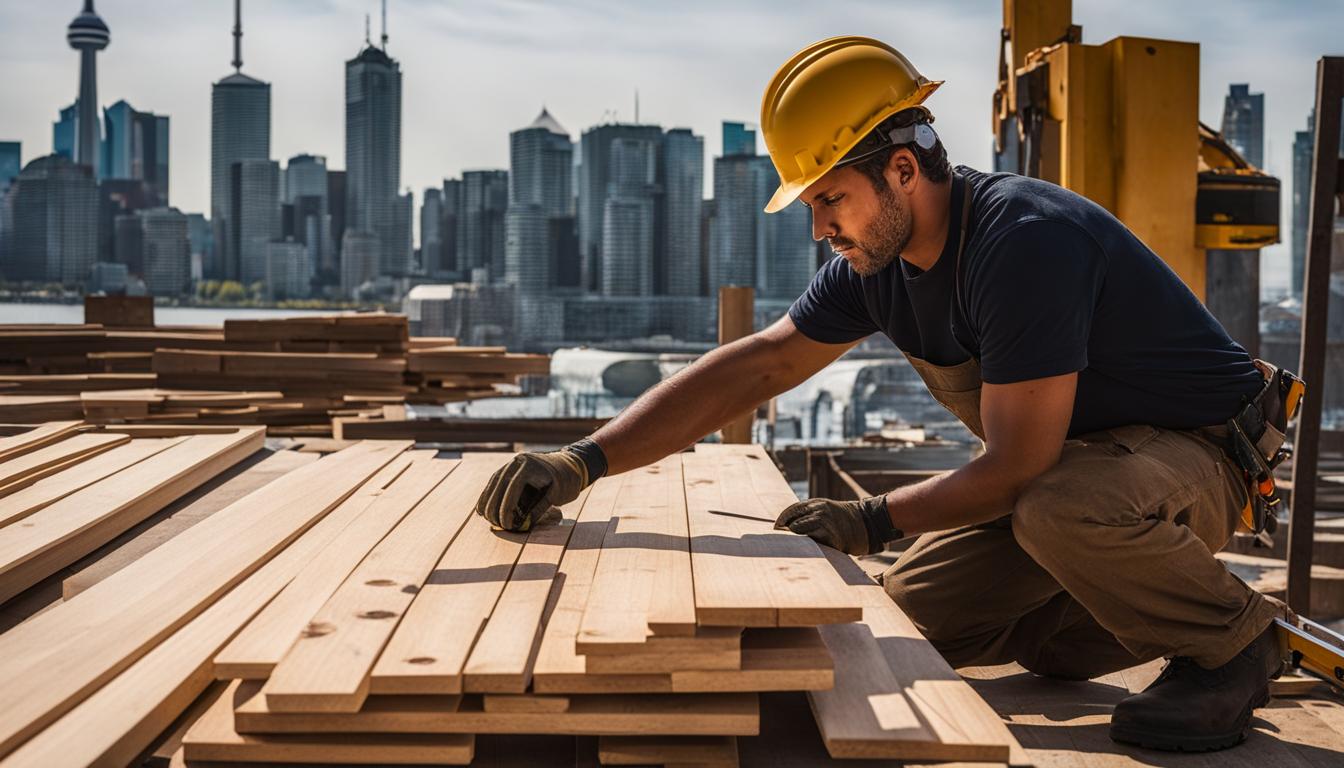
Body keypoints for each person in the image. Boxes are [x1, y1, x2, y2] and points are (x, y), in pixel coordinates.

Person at [473, 36, 1293, 751]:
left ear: (903, 170)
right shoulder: (876, 266)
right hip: (1074, 470)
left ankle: (1236, 643)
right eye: (813, 204)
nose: (820, 227)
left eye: (831, 198)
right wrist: (585, 461)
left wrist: (868, 521)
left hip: (1195, 458)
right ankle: (1109, 610)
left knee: (1061, 512)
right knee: (914, 617)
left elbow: (1017, 465)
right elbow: (760, 365)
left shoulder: (1023, 244)